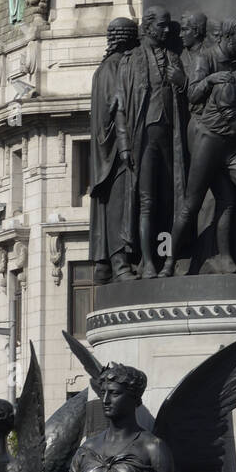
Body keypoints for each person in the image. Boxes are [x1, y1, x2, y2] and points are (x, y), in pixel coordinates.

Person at [162, 37, 236, 275]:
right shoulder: (227, 85)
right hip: (210, 142)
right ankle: (169, 262)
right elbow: (235, 126)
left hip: (234, 148)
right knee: (191, 205)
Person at [114, 7, 186, 278]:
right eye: (162, 26)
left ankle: (168, 259)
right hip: (142, 138)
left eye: (169, 26)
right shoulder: (130, 61)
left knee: (169, 200)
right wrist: (124, 145)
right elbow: (120, 107)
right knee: (146, 201)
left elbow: (190, 93)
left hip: (171, 137)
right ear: (148, 27)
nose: (167, 31)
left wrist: (181, 82)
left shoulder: (173, 58)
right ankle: (147, 262)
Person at [62, 363, 174, 472]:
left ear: (134, 398)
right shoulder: (88, 448)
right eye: (103, 393)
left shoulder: (153, 448)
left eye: (115, 393)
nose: (105, 400)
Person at [88, 18, 139, 282]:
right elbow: (114, 110)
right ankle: (119, 262)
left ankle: (112, 263)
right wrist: (126, 145)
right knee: (119, 205)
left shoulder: (110, 66)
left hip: (116, 150)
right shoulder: (113, 67)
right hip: (117, 153)